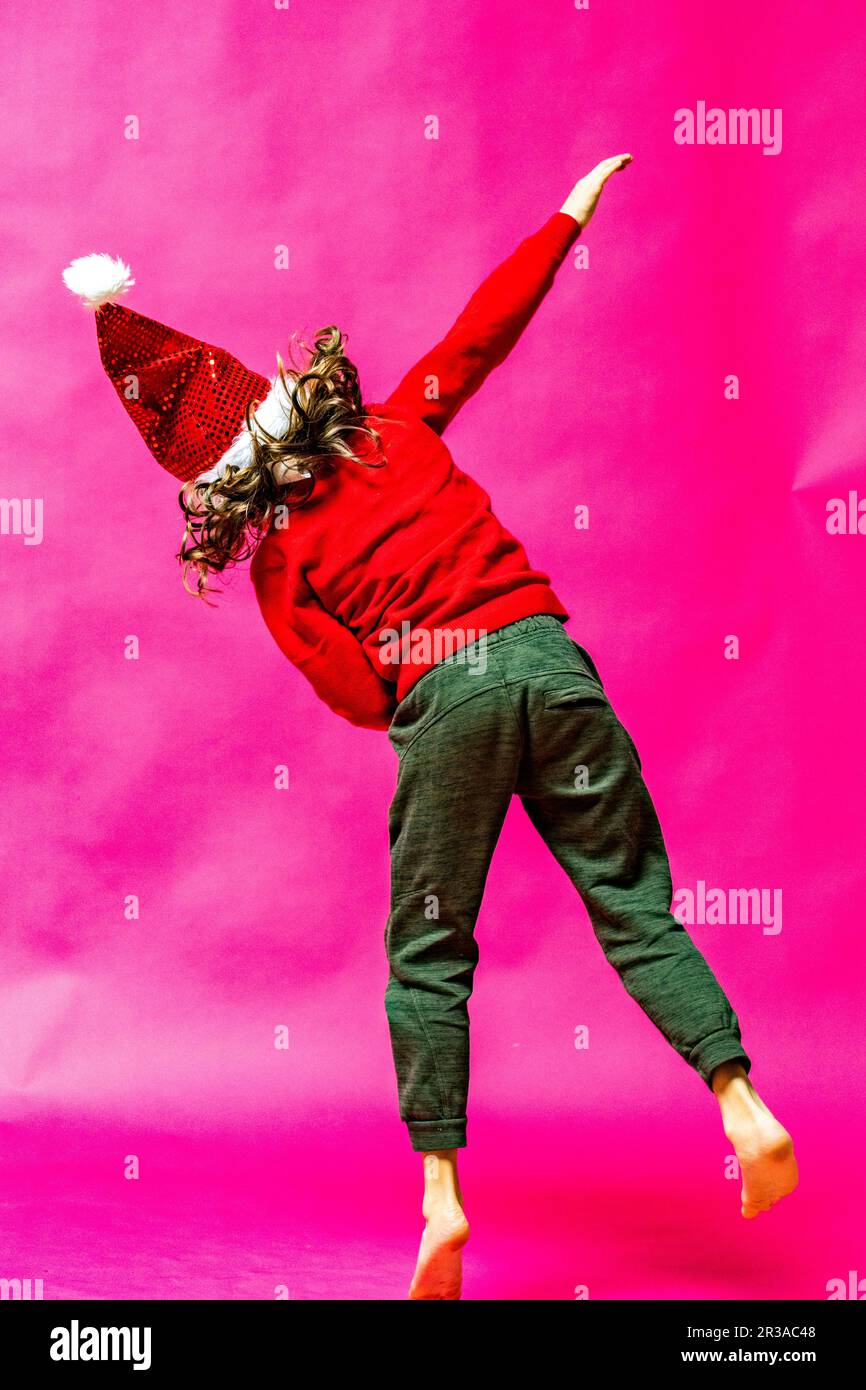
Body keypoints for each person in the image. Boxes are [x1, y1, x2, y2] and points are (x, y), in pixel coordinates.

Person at [63, 155, 798, 1301]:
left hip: (440, 696)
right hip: (556, 666)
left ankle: (442, 1200)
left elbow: (357, 694)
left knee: (428, 953)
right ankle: (742, 1108)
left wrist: (431, 692)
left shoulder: (280, 568)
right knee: (629, 901)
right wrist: (565, 215)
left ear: (223, 489)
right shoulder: (401, 424)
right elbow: (482, 331)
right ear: (287, 394)